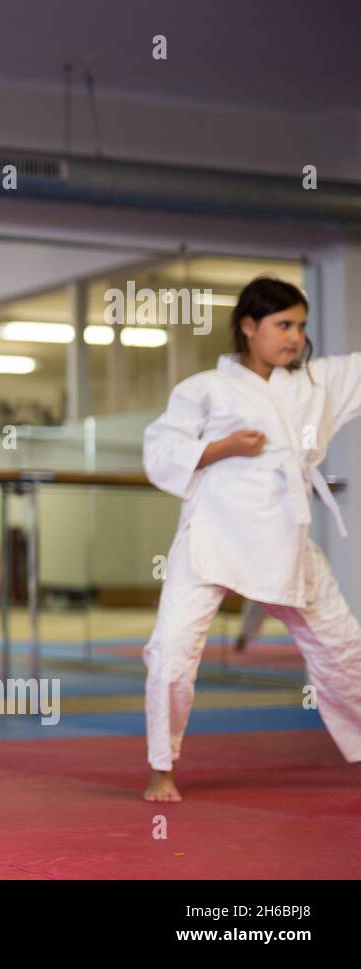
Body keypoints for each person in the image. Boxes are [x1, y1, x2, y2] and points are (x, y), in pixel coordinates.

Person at [141, 276, 361, 802]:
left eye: (300, 326)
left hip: (287, 536)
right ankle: (161, 766)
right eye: (283, 325)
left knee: (343, 649)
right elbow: (159, 454)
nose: (294, 337)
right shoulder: (203, 388)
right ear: (248, 325)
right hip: (213, 538)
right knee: (172, 650)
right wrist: (223, 447)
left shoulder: (313, 383)